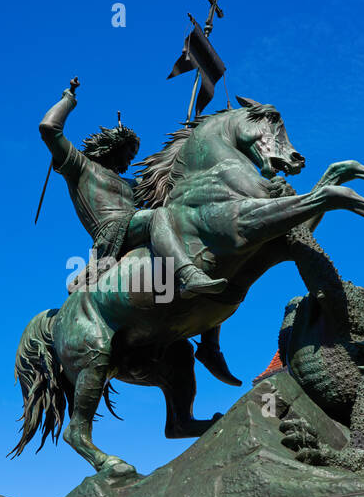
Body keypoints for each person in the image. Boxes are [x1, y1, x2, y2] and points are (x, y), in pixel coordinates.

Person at [38, 78, 240, 385]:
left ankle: (209, 345)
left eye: (132, 155)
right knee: (158, 217)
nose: (129, 160)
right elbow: (49, 129)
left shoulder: (129, 185)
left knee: (204, 243)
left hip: (137, 228)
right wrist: (69, 98)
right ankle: (187, 275)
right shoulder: (80, 168)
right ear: (110, 147)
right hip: (111, 234)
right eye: (127, 152)